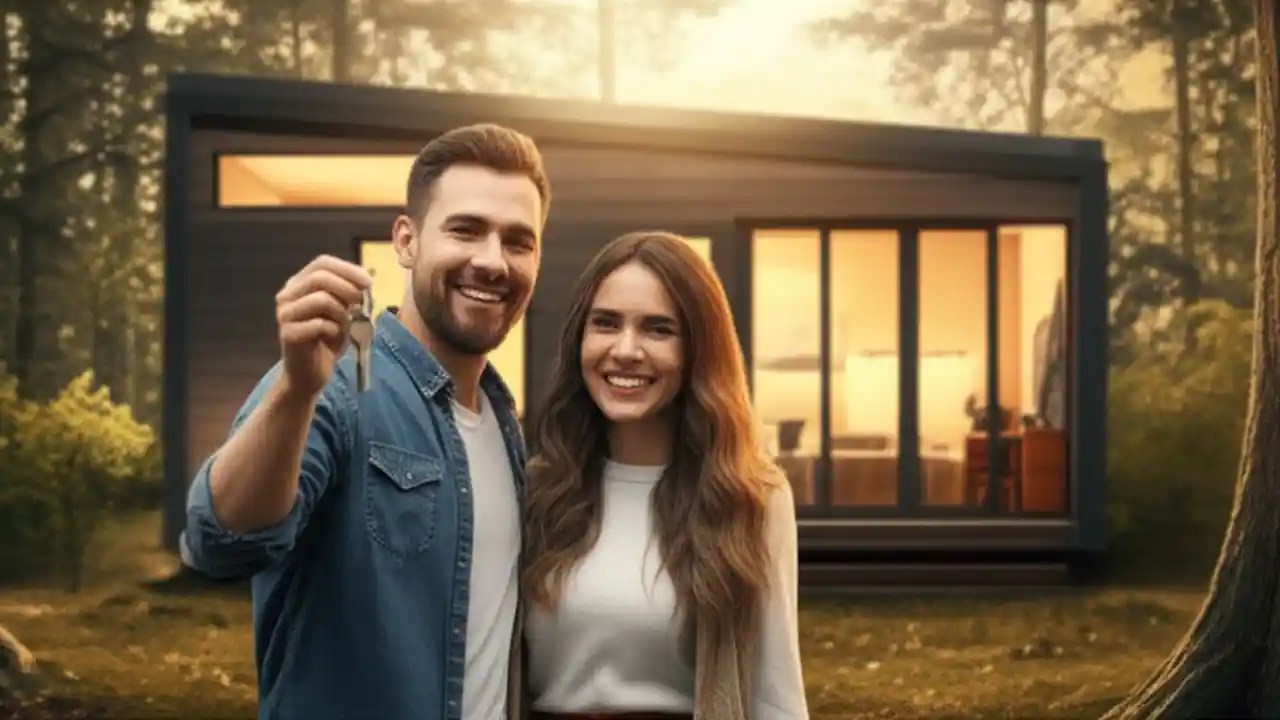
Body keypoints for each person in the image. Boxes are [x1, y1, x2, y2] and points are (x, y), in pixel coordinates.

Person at [180, 123, 550, 720]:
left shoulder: (511, 433)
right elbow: (218, 540)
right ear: (406, 241)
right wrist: (297, 389)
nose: (492, 261)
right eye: (465, 230)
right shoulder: (340, 384)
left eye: (518, 241)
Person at [520, 231, 809, 720]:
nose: (626, 350)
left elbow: (775, 693)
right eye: (606, 324)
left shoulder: (750, 496)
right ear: (579, 340)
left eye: (658, 329)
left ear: (699, 350)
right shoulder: (535, 490)